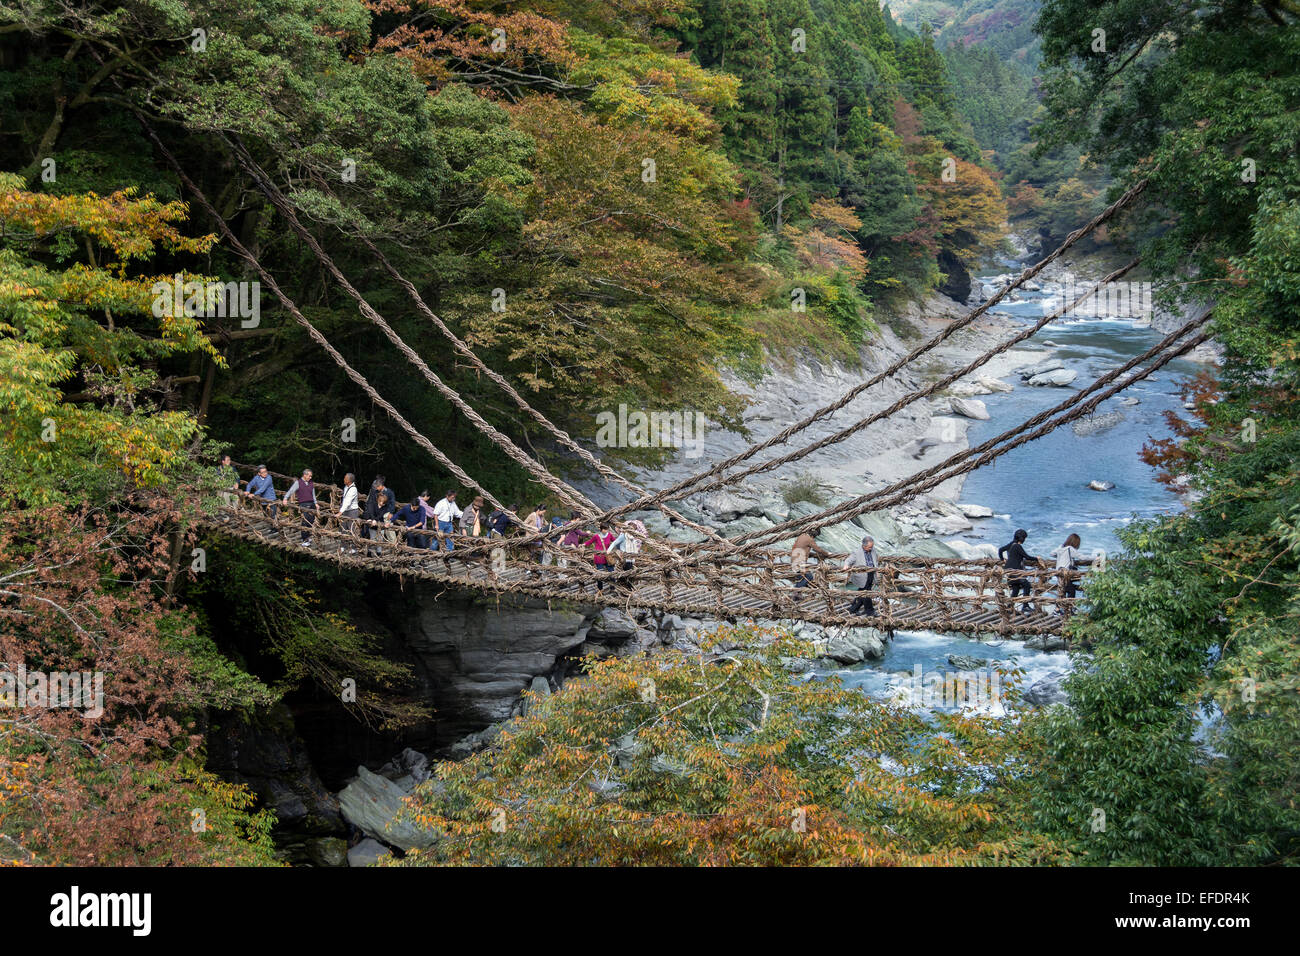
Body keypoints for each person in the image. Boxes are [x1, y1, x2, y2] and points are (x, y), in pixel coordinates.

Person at [999, 528, 1040, 614]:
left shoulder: (1011, 544)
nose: (1025, 540)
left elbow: (1000, 550)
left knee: (1016, 589)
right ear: (1022, 538)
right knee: (1027, 585)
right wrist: (1037, 558)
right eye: (1024, 538)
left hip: (1009, 571)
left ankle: (1009, 608)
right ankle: (1025, 606)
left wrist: (1003, 559)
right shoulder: (1017, 546)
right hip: (1016, 571)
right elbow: (1027, 557)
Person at [844, 535, 878, 616]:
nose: (871, 549)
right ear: (864, 546)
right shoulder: (856, 552)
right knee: (866, 593)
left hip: (871, 574)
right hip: (861, 576)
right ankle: (870, 611)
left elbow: (875, 560)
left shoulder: (873, 550)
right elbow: (849, 560)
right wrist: (846, 565)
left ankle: (853, 609)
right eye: (869, 547)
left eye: (872, 547)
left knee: (862, 592)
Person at [1051, 533, 1084, 615]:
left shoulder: (1061, 548)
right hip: (1065, 574)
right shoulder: (1070, 549)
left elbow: (1052, 553)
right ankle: (1068, 609)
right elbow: (1082, 557)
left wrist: (1060, 555)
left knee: (1062, 590)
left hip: (1059, 573)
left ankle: (1059, 609)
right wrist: (1095, 558)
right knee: (1071, 590)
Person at [790, 530, 830, 598]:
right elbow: (818, 549)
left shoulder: (801, 536)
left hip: (794, 559)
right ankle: (796, 592)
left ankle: (797, 593)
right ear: (813, 535)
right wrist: (827, 554)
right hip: (800, 561)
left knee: (801, 577)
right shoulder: (809, 539)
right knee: (809, 577)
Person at [283, 469, 318, 545]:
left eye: (311, 476)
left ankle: (309, 537)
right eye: (309, 476)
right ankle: (304, 539)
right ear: (304, 475)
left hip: (312, 504)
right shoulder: (298, 482)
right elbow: (291, 490)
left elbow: (313, 494)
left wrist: (316, 503)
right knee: (305, 521)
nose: (310, 477)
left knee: (311, 521)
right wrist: (285, 498)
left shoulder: (311, 483)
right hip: (304, 504)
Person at [583, 523, 617, 590]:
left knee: (612, 572)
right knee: (600, 574)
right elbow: (590, 542)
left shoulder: (609, 535)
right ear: (601, 529)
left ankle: (613, 588)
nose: (606, 531)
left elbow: (615, 542)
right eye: (604, 529)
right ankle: (600, 589)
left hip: (607, 557)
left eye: (607, 529)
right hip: (599, 557)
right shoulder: (596, 536)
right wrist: (583, 545)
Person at [364, 489, 397, 554]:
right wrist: (372, 519)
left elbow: (381, 515)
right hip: (372, 525)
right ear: (378, 500)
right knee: (372, 538)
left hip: (381, 524)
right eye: (380, 502)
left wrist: (375, 520)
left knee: (380, 539)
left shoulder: (385, 507)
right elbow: (371, 512)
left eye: (383, 503)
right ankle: (370, 552)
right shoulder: (373, 504)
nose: (381, 504)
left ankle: (379, 552)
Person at [338, 472, 360, 550]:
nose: (344, 479)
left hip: (352, 511)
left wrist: (340, 512)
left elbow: (348, 501)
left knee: (352, 529)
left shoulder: (353, 489)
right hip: (345, 510)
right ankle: (344, 546)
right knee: (343, 528)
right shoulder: (346, 487)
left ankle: (354, 547)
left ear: (349, 480)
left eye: (345, 478)